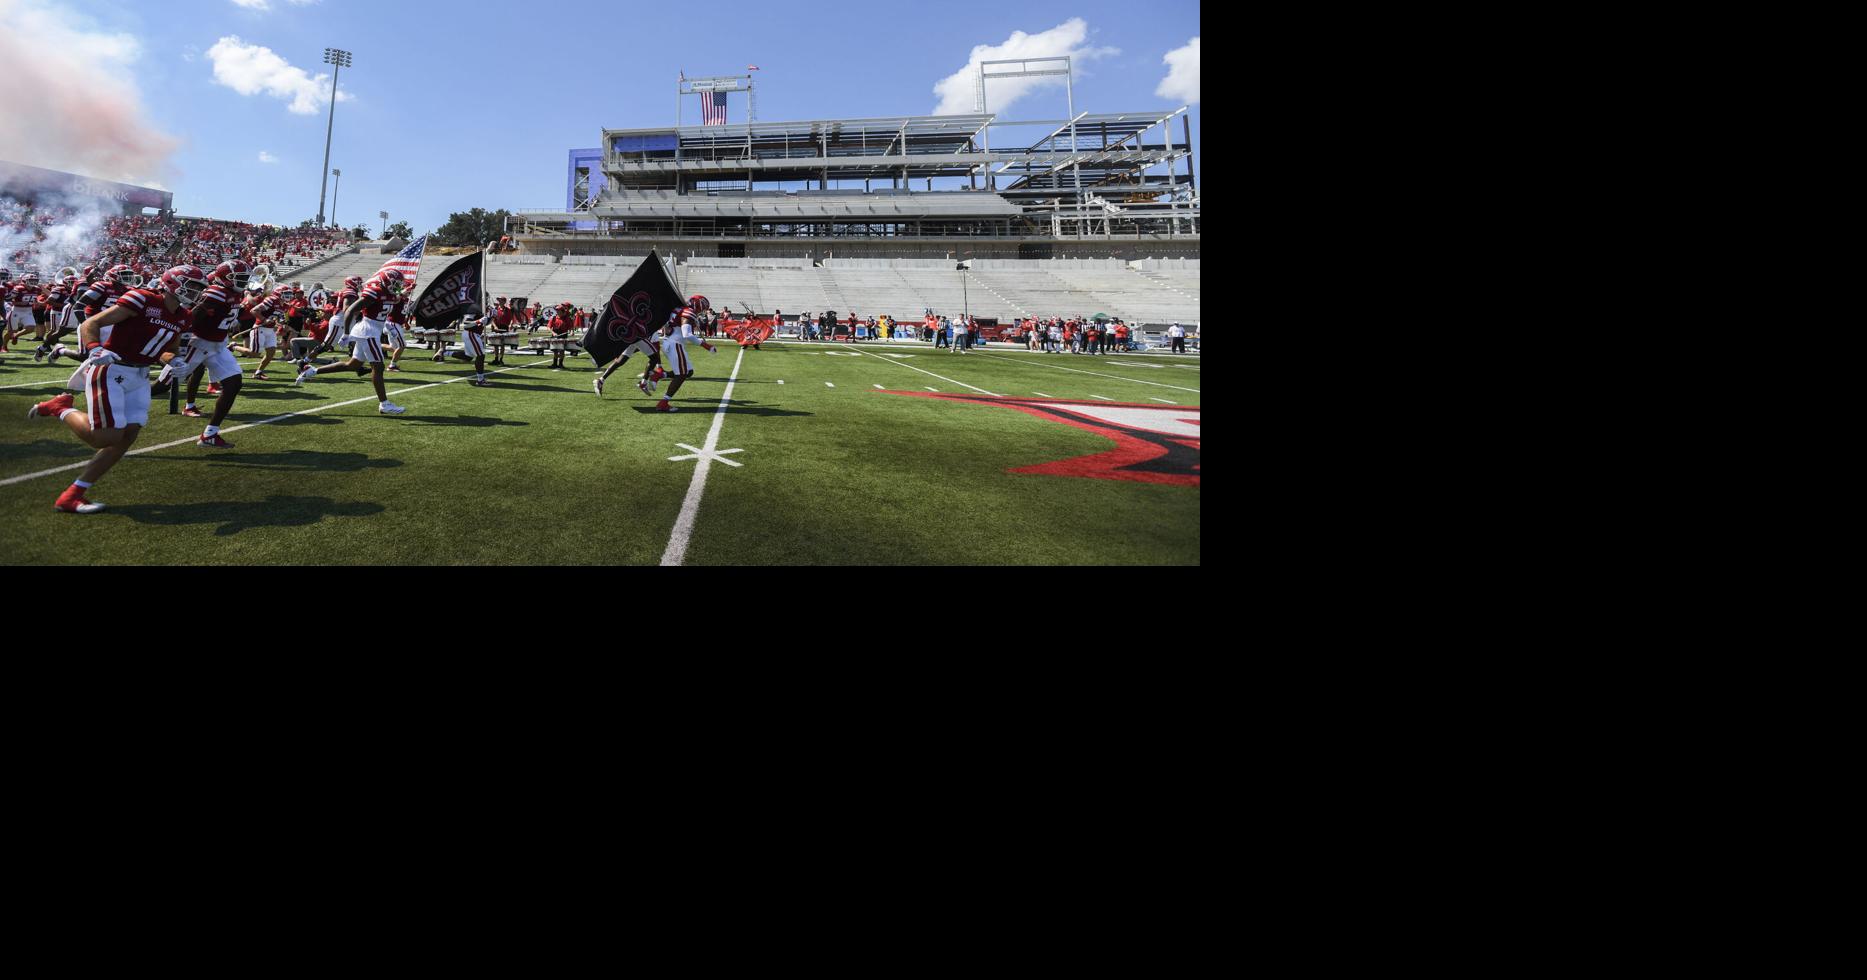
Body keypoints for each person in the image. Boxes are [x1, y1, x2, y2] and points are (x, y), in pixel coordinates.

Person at [26, 265, 204, 513]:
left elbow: (168, 348)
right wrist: (95, 347)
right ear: (172, 282)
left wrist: (174, 361)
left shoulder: (184, 316)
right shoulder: (143, 298)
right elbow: (92, 322)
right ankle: (60, 408)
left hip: (140, 376)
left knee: (127, 436)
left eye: (198, 287)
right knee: (105, 437)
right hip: (112, 369)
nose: (195, 291)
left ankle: (72, 494)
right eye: (192, 285)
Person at [158, 259, 253, 447]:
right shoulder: (216, 293)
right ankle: (118, 399)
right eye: (239, 278)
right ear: (225, 277)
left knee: (233, 383)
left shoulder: (232, 292)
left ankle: (210, 434)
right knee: (162, 386)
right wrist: (179, 342)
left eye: (244, 278)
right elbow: (192, 317)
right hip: (199, 343)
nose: (243, 281)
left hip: (217, 345)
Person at [293, 269, 409, 415]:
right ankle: (384, 404)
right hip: (368, 331)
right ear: (386, 281)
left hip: (372, 330)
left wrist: (405, 291)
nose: (397, 286)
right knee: (378, 367)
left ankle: (312, 371)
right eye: (395, 283)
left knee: (353, 365)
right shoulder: (376, 291)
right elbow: (349, 310)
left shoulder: (389, 293)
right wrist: (346, 333)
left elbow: (396, 298)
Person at [652, 295, 719, 412]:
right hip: (675, 344)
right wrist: (706, 346)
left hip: (671, 342)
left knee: (688, 372)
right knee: (681, 375)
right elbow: (687, 334)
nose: (702, 311)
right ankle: (663, 403)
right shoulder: (688, 311)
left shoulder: (679, 309)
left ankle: (660, 375)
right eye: (702, 308)